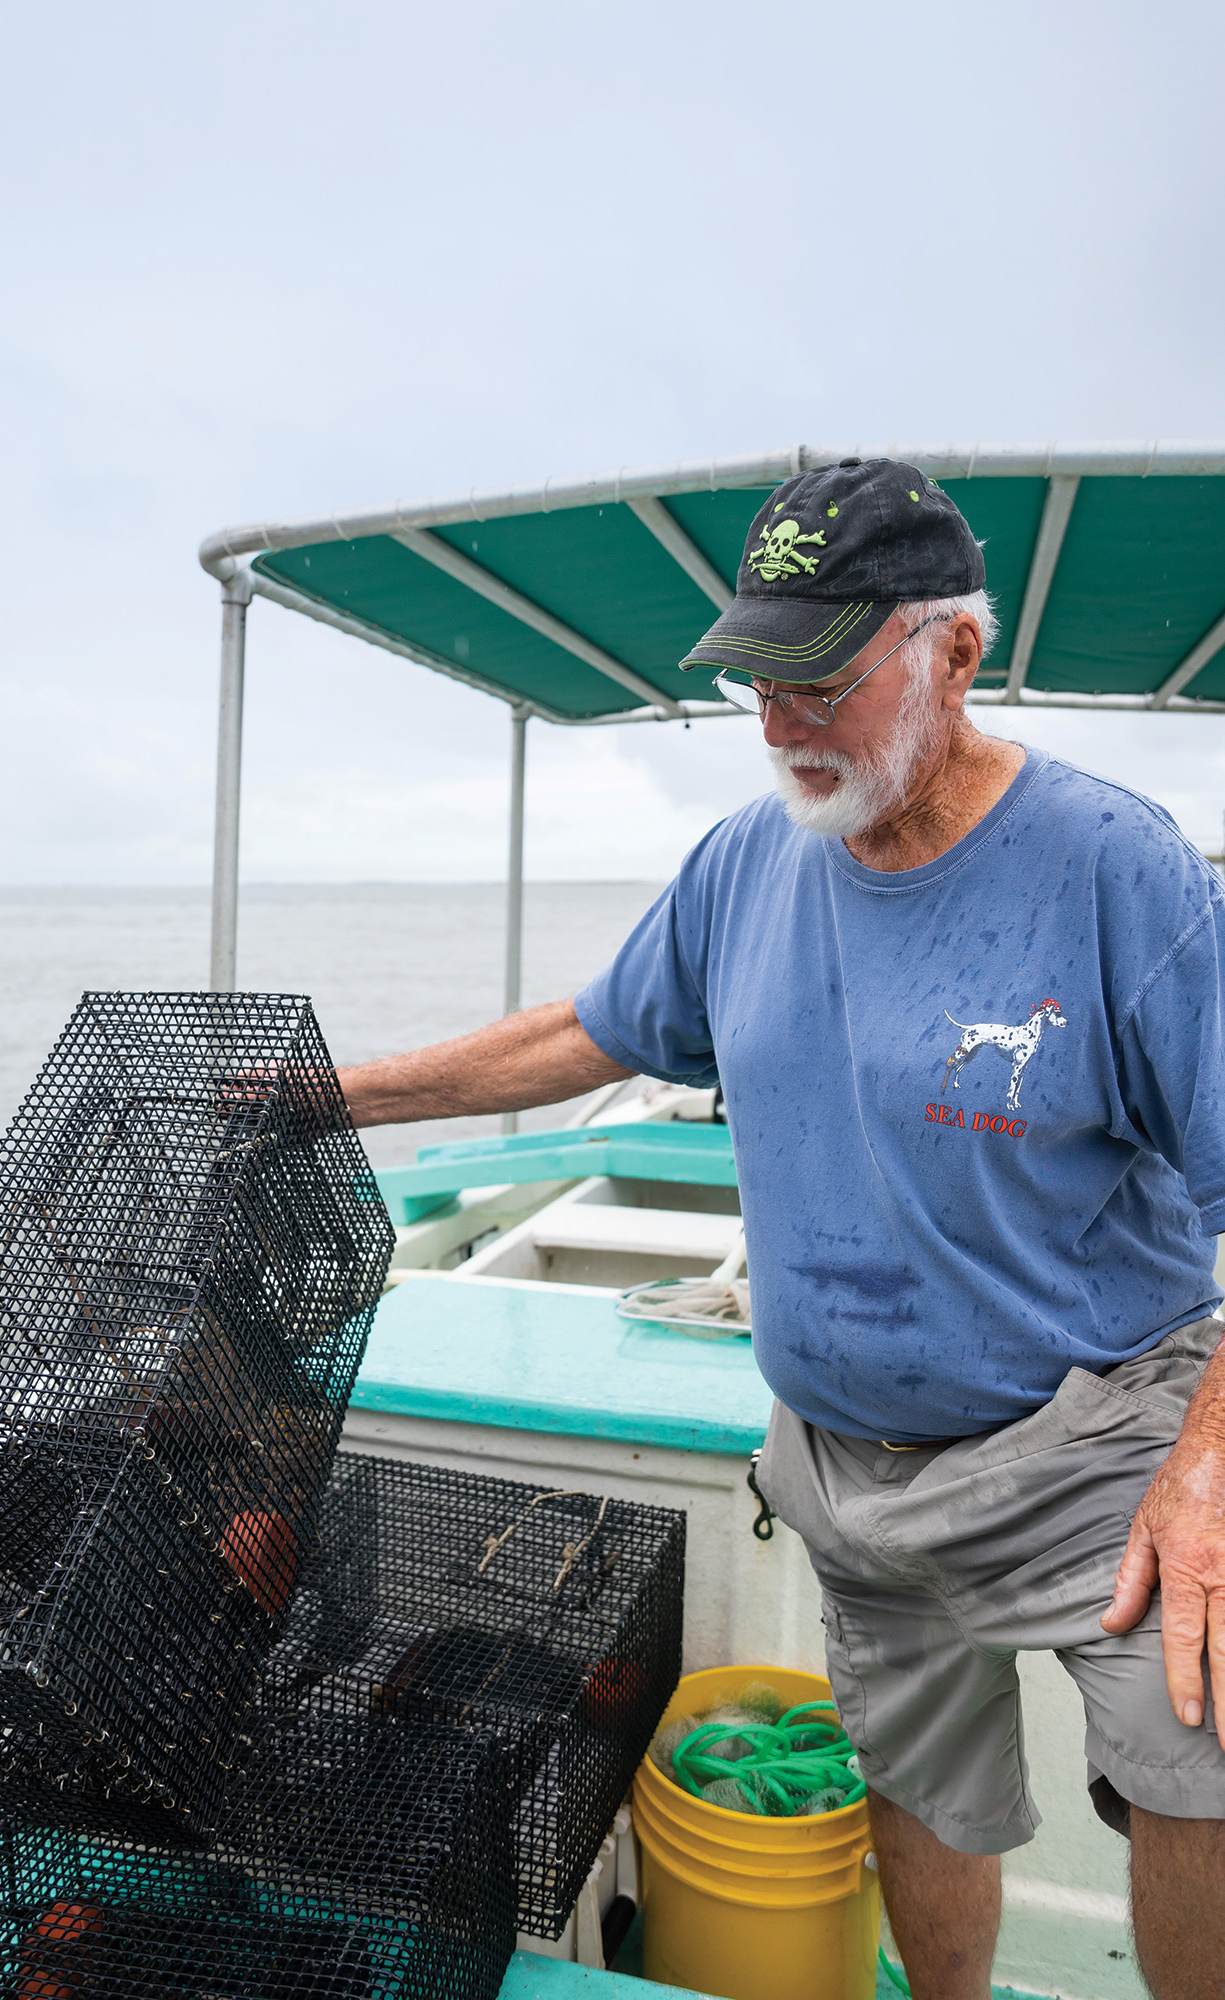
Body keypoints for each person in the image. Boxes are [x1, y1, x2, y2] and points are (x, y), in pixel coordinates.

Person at [335, 459, 1225, 2000]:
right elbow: (592, 1036)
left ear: (951, 652)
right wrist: (340, 1092)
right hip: (842, 1447)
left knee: (1196, 1753)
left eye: (820, 676)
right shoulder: (746, 863)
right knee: (916, 1780)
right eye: (755, 677)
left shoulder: (1113, 864)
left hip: (1094, 1435)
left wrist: (1207, 1468)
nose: (779, 722)